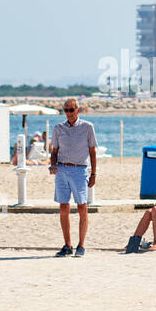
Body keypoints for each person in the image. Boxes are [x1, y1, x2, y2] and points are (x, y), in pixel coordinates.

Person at [50, 98, 97, 257]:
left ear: (78, 110)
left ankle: (81, 245)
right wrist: (53, 165)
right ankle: (67, 245)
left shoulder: (87, 127)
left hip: (79, 170)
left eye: (72, 110)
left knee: (82, 207)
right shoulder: (58, 128)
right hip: (62, 169)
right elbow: (54, 151)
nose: (69, 113)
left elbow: (92, 152)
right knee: (63, 208)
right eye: (66, 110)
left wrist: (94, 174)